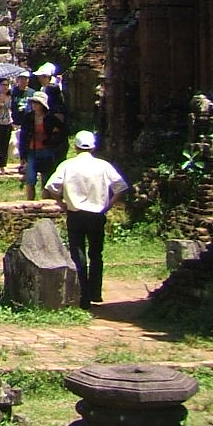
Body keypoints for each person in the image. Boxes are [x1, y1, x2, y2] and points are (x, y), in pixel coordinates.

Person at [44, 131, 129, 307]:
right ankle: (95, 292)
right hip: (97, 215)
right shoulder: (103, 165)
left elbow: (51, 187)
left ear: (75, 147)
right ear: (93, 146)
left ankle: (82, 294)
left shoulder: (67, 165)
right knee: (96, 254)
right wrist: (109, 204)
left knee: (78, 253)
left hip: (75, 214)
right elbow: (121, 186)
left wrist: (61, 203)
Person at [20, 88, 64, 200]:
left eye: (37, 103)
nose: (34, 105)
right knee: (30, 179)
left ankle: (45, 204)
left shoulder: (51, 118)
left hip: (46, 151)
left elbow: (63, 132)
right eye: (33, 102)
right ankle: (29, 203)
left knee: (46, 180)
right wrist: (22, 155)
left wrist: (51, 141)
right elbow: (23, 136)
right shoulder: (28, 117)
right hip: (31, 151)